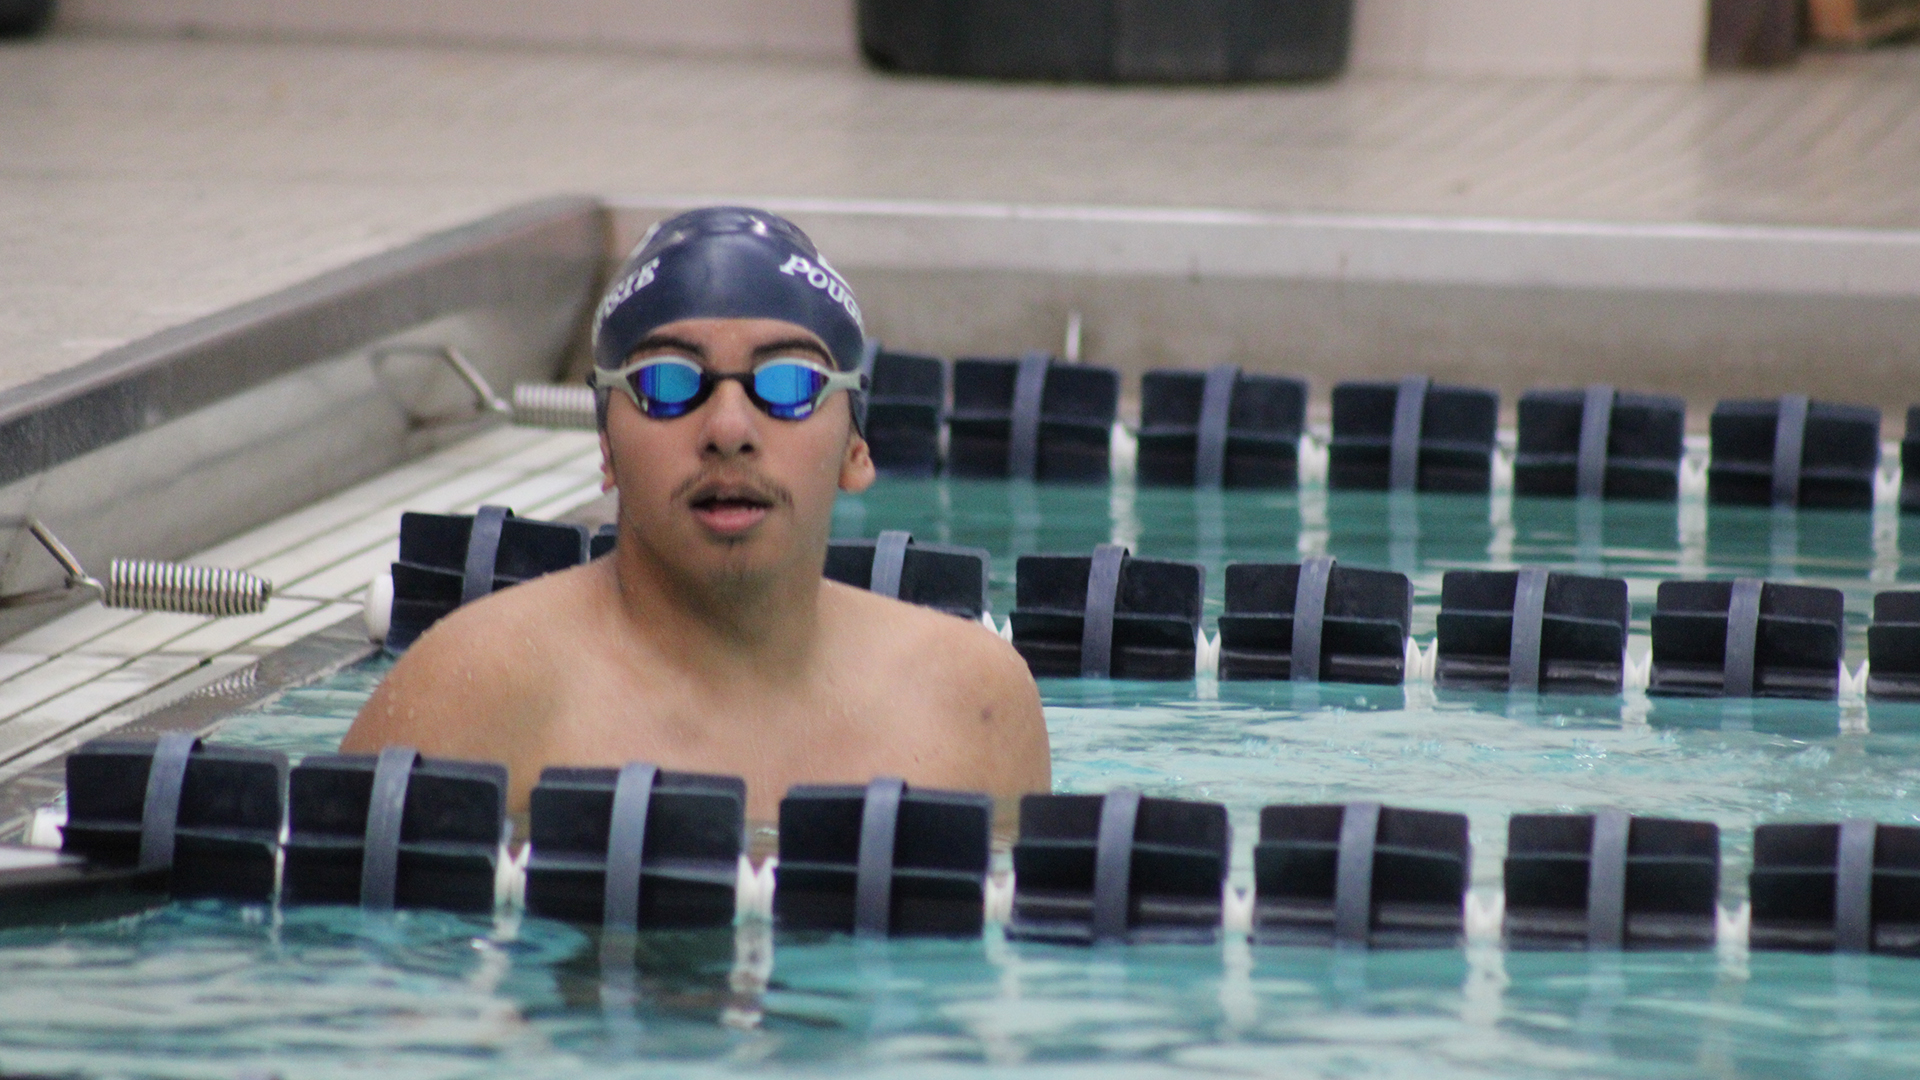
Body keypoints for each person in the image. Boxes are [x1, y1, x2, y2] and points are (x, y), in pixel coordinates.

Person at [342, 207, 1051, 826]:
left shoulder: (970, 701)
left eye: (790, 384)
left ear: (856, 448)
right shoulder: (475, 689)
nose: (728, 428)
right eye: (668, 383)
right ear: (607, 446)